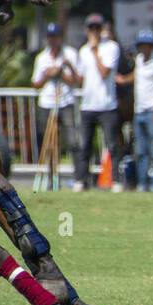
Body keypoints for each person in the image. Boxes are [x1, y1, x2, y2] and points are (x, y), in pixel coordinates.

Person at [118, 29, 153, 192]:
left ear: (151, 46)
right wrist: (123, 80)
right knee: (140, 151)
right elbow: (137, 76)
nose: (143, 49)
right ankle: (142, 184)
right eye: (141, 45)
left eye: (146, 45)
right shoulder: (139, 60)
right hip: (139, 112)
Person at [74, 13, 122, 190]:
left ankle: (116, 181)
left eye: (97, 28)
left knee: (112, 145)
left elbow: (105, 73)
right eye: (91, 28)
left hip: (107, 105)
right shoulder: (83, 50)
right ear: (87, 30)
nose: (94, 31)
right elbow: (80, 78)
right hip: (88, 105)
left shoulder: (111, 47)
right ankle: (81, 180)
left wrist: (95, 51)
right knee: (84, 146)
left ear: (102, 30)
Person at [31, 22, 80, 165]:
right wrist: (47, 75)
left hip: (66, 102)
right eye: (51, 37)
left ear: (61, 38)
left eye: (56, 37)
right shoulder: (42, 57)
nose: (53, 40)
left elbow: (77, 81)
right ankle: (50, 174)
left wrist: (61, 72)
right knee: (48, 141)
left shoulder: (70, 54)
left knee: (72, 140)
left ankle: (79, 177)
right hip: (47, 103)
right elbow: (36, 84)